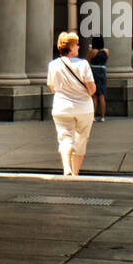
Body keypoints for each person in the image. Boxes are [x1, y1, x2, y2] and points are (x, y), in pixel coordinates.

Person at [46, 32, 97, 177]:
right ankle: (75, 172)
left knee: (65, 138)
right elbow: (92, 88)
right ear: (71, 47)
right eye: (77, 45)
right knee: (81, 140)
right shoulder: (83, 64)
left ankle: (66, 167)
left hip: (62, 107)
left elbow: (52, 87)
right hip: (84, 108)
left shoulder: (53, 65)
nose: (79, 47)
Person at [87, 40, 109, 122]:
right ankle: (103, 116)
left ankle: (93, 116)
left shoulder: (93, 51)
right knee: (102, 95)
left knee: (94, 95)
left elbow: (87, 60)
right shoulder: (106, 51)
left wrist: (89, 51)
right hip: (102, 71)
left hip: (94, 71)